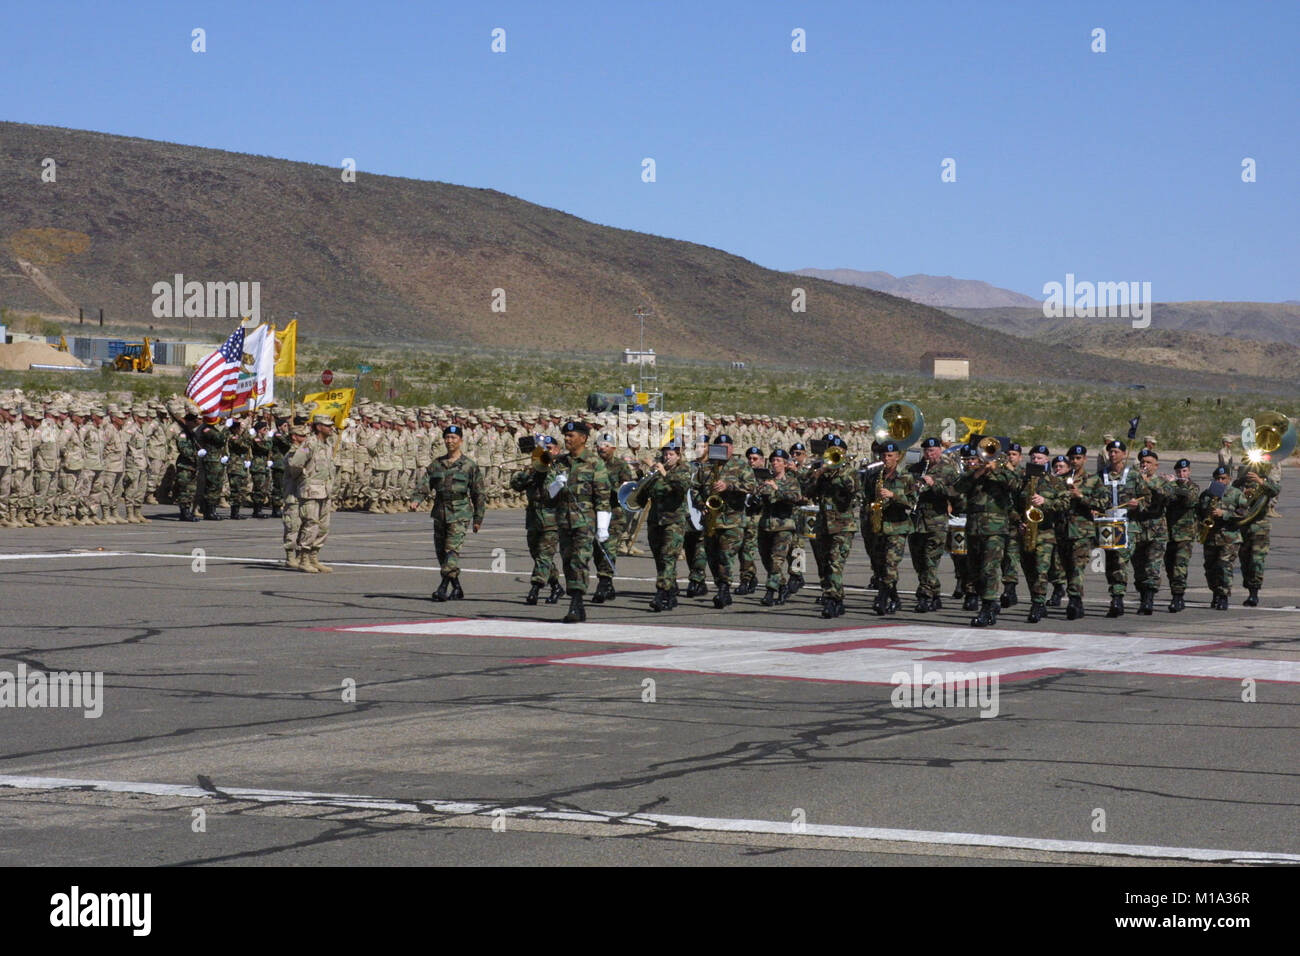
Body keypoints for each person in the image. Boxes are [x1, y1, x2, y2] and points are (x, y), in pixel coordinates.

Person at [548, 420, 611, 623]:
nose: (566, 439)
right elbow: (548, 494)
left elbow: (602, 497)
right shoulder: (560, 463)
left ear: (583, 438)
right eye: (565, 436)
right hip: (564, 521)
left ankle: (575, 602)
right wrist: (556, 485)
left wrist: (602, 527)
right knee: (567, 561)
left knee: (580, 560)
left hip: (585, 522)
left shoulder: (594, 463)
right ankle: (578, 604)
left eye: (571, 436)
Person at [953, 443, 1020, 627]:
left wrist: (996, 470)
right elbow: (957, 487)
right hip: (974, 529)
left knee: (989, 569)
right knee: (975, 572)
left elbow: (1016, 484)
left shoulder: (1004, 471)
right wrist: (978, 472)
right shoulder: (975, 473)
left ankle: (987, 607)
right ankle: (990, 603)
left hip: (995, 530)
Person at [697, 433, 758, 608]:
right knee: (712, 556)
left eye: (727, 446)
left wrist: (729, 486)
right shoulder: (707, 466)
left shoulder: (741, 466)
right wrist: (701, 503)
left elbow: (752, 487)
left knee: (726, 556)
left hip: (733, 520)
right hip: (711, 519)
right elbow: (695, 488)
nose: (724, 449)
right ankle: (720, 584)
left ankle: (724, 588)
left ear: (732, 448)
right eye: (719, 446)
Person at [426, 424, 485, 601]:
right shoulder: (437, 464)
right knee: (441, 553)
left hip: (460, 514)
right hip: (440, 513)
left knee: (452, 551)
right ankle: (457, 588)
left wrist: (478, 518)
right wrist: (416, 499)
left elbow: (478, 493)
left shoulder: (469, 466)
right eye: (447, 438)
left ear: (460, 440)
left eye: (453, 438)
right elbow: (424, 485)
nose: (449, 441)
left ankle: (442, 588)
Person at [861, 440, 917, 616]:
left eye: (890, 456)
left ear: (898, 457)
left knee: (890, 564)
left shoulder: (906, 477)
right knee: (879, 565)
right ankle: (895, 598)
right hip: (879, 526)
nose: (886, 459)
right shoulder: (875, 475)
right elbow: (867, 498)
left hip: (898, 527)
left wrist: (894, 495)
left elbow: (913, 503)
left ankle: (882, 599)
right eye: (884, 455)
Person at [509, 435, 564, 605]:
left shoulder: (561, 468)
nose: (546, 451)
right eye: (543, 448)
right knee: (537, 554)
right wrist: (531, 472)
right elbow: (516, 484)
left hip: (551, 518)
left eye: (549, 448)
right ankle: (555, 586)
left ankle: (535, 588)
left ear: (557, 450)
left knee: (545, 555)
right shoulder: (534, 467)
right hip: (533, 517)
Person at [808, 435, 859, 618]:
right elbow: (807, 491)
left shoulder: (849, 472)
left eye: (839, 452)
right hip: (823, 525)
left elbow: (852, 488)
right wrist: (818, 474)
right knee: (824, 564)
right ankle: (836, 597)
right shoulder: (821, 471)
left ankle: (831, 599)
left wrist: (835, 470)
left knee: (835, 564)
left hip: (843, 526)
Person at [1016, 446, 1067, 622]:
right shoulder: (1022, 480)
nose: (1036, 461)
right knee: (1028, 569)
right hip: (1026, 532)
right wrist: (1018, 522)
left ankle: (1038, 604)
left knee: (1041, 570)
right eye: (1033, 458)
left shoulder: (1054, 481)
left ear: (1046, 460)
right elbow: (1011, 504)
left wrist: (1045, 501)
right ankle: (1036, 600)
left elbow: (1065, 504)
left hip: (1045, 533)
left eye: (1039, 458)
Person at [640, 441, 692, 611]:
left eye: (671, 454)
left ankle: (661, 593)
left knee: (668, 557)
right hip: (655, 520)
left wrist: (664, 473)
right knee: (659, 559)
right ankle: (670, 593)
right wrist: (647, 474)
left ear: (678, 456)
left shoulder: (683, 470)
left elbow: (682, 487)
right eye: (665, 454)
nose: (667, 457)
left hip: (674, 520)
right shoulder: (656, 471)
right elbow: (645, 492)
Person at [907, 437, 956, 613]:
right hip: (917, 521)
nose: (930, 454)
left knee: (930, 560)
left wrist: (933, 484)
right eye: (927, 451)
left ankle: (925, 596)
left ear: (940, 450)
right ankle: (934, 594)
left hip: (936, 521)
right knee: (918, 561)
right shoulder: (917, 468)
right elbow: (908, 486)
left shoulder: (948, 469)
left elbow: (953, 492)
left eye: (933, 450)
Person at [288, 414, 337, 573]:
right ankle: (303, 558)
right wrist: (303, 478)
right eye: (327, 425)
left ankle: (314, 557)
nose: (330, 428)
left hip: (325, 490)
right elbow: (296, 463)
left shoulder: (328, 444)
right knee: (310, 525)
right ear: (318, 427)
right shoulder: (310, 443)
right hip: (310, 490)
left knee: (323, 527)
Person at [592, 433, 636, 603]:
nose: (601, 448)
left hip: (614, 514)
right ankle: (608, 584)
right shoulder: (592, 464)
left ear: (613, 448)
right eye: (599, 445)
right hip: (594, 513)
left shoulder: (620, 465)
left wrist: (607, 487)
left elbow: (627, 489)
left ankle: (603, 583)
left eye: (605, 445)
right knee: (597, 551)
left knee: (608, 548)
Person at [755, 448, 802, 606]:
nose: (775, 463)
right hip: (765, 525)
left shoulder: (791, 481)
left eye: (778, 461)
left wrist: (777, 489)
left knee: (777, 560)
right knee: (766, 560)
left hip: (783, 526)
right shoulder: (765, 480)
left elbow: (795, 497)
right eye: (773, 460)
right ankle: (781, 585)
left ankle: (770, 592)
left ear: (785, 464)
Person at [1198, 466, 1248, 609]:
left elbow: (1245, 513)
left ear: (1229, 479)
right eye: (1218, 479)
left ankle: (1223, 596)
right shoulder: (1207, 494)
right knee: (1210, 567)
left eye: (1223, 478)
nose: (1220, 481)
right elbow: (1199, 512)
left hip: (1229, 537)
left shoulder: (1236, 494)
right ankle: (1215, 592)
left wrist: (1224, 514)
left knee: (1224, 566)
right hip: (1211, 537)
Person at [1234, 459, 1280, 607]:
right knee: (1245, 561)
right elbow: (1231, 496)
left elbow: (1276, 490)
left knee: (1257, 561)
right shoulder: (1240, 483)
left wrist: (1261, 481)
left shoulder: (1266, 480)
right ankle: (1249, 587)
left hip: (1260, 528)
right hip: (1243, 527)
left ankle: (1254, 593)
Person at [1129, 449, 1169, 614]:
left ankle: (1148, 600)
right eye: (1142, 462)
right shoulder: (1132, 481)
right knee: (1138, 567)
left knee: (1152, 567)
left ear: (1156, 466)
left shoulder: (1162, 482)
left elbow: (1167, 495)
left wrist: (1148, 482)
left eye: (1148, 462)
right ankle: (1142, 596)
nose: (1144, 465)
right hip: (1136, 529)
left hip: (1156, 531)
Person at [1162, 458, 1200, 612]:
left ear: (1189, 471)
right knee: (1169, 565)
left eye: (1184, 471)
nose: (1181, 474)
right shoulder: (1170, 487)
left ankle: (1178, 597)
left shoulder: (1193, 487)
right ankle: (1175, 592)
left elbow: (1189, 499)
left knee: (1180, 565)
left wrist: (1171, 484)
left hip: (1186, 534)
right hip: (1170, 533)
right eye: (1178, 472)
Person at [173, 411, 203, 523]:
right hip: (185, 466)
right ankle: (184, 512)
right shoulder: (183, 434)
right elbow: (183, 449)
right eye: (193, 421)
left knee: (191, 490)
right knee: (184, 490)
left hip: (193, 466)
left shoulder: (192, 435)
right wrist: (196, 454)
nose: (195, 424)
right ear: (188, 422)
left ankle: (188, 511)